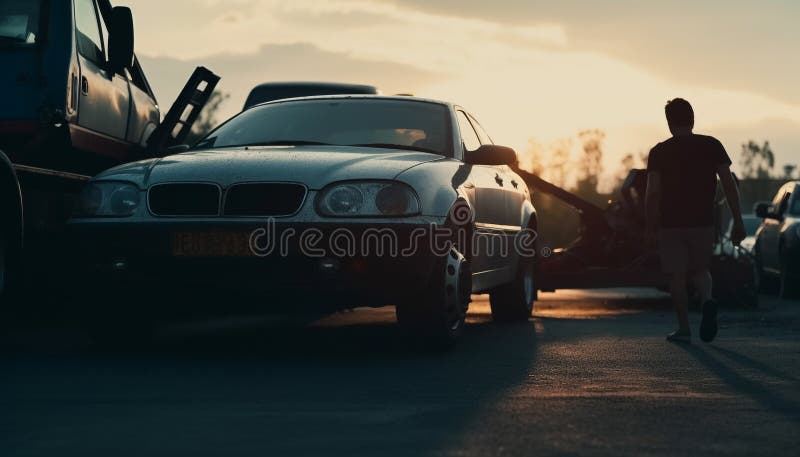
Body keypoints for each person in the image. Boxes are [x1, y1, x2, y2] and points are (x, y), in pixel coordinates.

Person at [645, 98, 746, 343]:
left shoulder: (659, 151)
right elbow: (729, 186)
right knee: (701, 270)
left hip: (670, 223)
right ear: (692, 119)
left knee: (676, 275)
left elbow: (652, 192)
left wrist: (649, 227)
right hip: (703, 221)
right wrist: (738, 220)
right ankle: (708, 300)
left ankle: (683, 329)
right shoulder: (712, 145)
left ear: (669, 123)